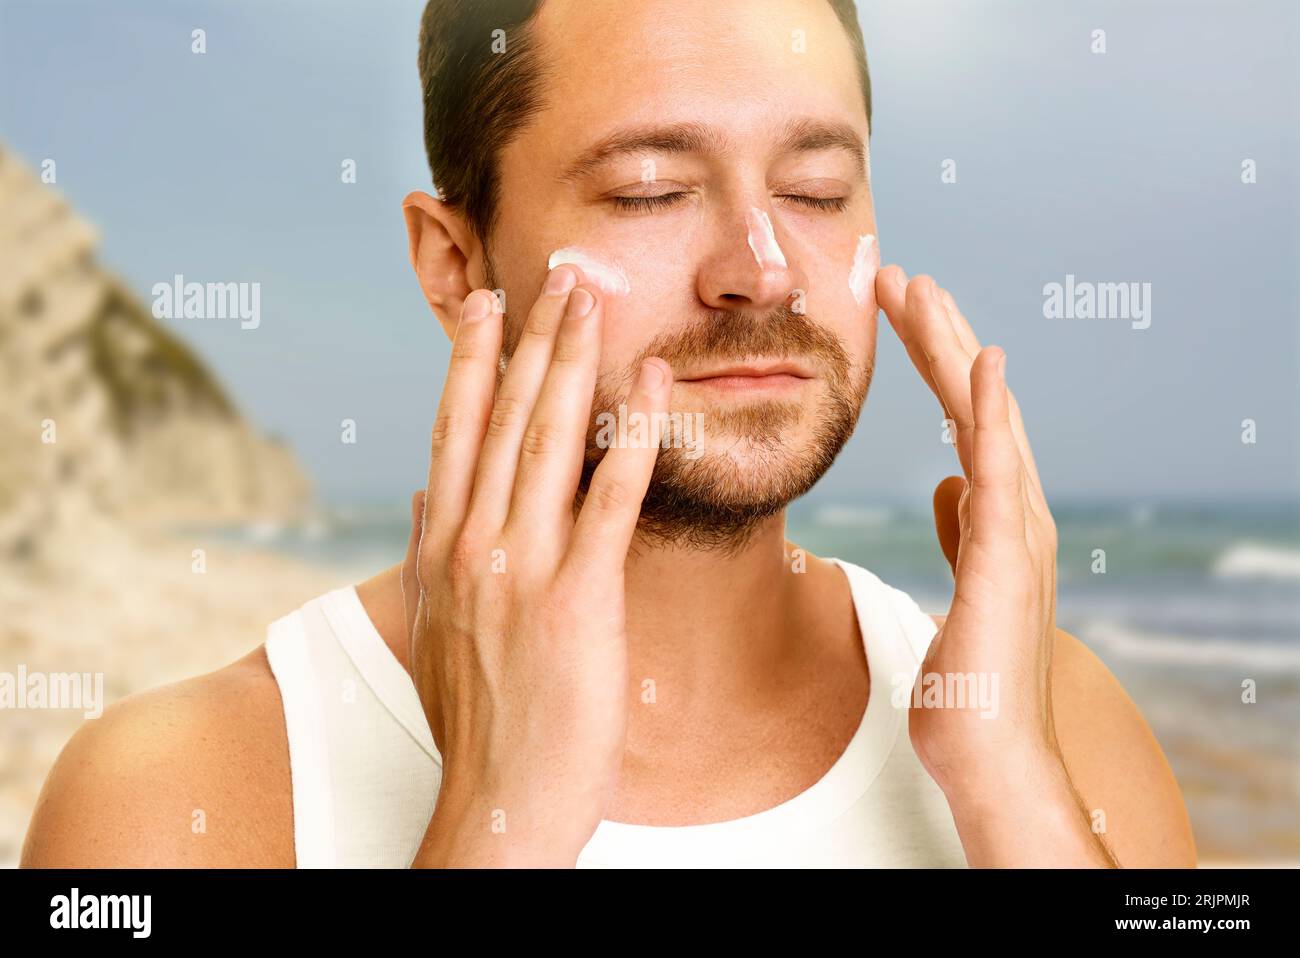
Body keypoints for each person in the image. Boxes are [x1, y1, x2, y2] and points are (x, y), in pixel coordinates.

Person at [21, 0, 1196, 868]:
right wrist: (502, 822)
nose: (762, 271)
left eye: (819, 189)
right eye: (648, 190)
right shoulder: (172, 799)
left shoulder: (1056, 730)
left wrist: (1010, 801)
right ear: (453, 262)